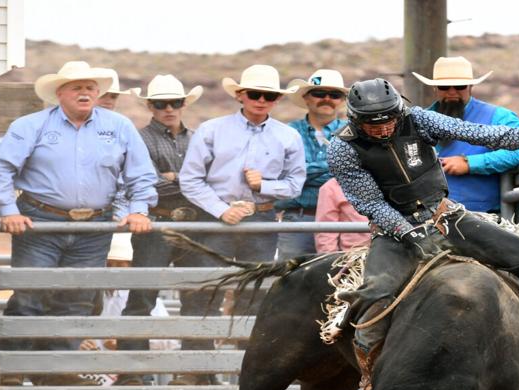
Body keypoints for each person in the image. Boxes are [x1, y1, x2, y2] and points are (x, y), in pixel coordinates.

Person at [325, 77, 519, 358]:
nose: (383, 129)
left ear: (398, 111)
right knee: (374, 295)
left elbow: (480, 133)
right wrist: (407, 232)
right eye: (371, 124)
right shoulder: (343, 147)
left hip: (443, 215)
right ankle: (371, 374)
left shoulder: (417, 118)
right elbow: (371, 202)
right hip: (393, 231)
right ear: (355, 119)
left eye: (389, 120)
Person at [0, 60, 157, 363]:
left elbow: (141, 172)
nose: (85, 93)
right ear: (60, 93)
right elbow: (0, 167)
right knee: (31, 296)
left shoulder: (118, 126)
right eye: (76, 87)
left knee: (77, 298)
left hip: (94, 226)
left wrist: (139, 209)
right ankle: (15, 371)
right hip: (40, 221)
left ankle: (56, 371)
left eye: (90, 88)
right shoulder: (31, 125)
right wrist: (8, 210)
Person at [176, 63, 306, 319]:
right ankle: (197, 355)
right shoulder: (211, 130)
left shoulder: (288, 137)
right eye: (254, 94)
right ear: (240, 95)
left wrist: (263, 186)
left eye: (268, 95)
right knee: (206, 288)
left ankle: (244, 355)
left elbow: (294, 184)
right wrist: (222, 210)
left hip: (261, 219)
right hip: (215, 219)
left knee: (255, 293)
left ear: (277, 99)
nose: (260, 100)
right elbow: (190, 179)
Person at [124, 74, 209, 353]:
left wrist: (173, 178)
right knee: (142, 297)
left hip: (195, 226)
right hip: (157, 223)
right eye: (161, 104)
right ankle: (132, 371)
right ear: (151, 106)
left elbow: (214, 180)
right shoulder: (138, 139)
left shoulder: (199, 139)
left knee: (199, 297)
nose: (169, 109)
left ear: (183, 103)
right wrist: (192, 182)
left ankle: (197, 369)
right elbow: (146, 182)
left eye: (174, 102)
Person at [412, 56, 519, 215]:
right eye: (444, 86)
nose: (452, 92)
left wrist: (471, 163)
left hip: (487, 218)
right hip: (429, 219)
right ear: (435, 88)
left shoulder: (498, 116)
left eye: (460, 86)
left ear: (470, 86)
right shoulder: (415, 122)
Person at [274, 68, 350, 258]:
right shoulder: (288, 132)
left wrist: (303, 172)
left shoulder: (353, 132)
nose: (327, 98)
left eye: (334, 94)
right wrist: (335, 166)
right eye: (319, 93)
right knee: (290, 279)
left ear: (341, 100)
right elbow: (284, 174)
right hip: (300, 218)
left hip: (344, 220)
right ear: (306, 97)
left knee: (342, 278)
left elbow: (355, 170)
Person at [312, 178, 369, 253]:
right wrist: (328, 259)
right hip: (355, 255)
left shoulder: (385, 182)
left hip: (386, 251)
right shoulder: (331, 187)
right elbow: (325, 231)